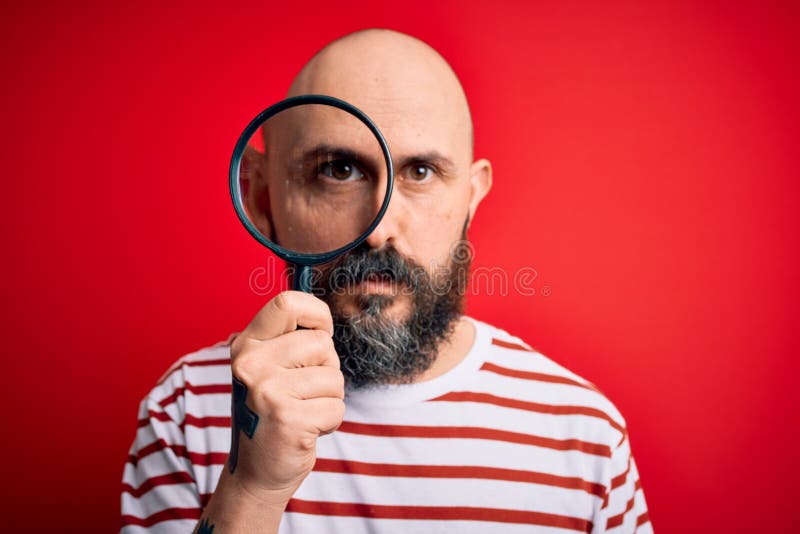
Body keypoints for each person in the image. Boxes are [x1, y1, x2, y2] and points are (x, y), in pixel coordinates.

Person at [121, 29, 652, 533]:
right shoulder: (187, 410)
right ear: (261, 197)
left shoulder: (584, 437)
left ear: (470, 198)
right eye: (338, 170)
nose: (381, 229)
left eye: (421, 173)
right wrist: (253, 489)